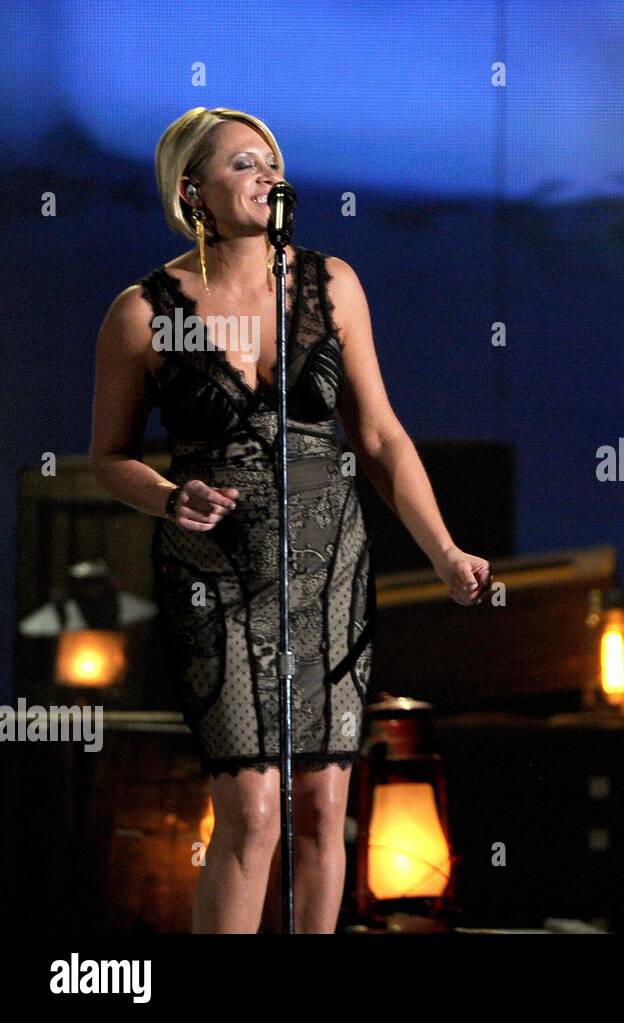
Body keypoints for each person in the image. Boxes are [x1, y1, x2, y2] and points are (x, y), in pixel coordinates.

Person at [89, 107, 492, 933]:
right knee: (254, 812)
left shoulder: (331, 282)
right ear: (192, 189)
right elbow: (108, 457)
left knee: (320, 808)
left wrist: (445, 551)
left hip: (329, 567)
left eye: (274, 162)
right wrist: (170, 496)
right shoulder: (142, 309)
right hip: (217, 574)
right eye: (246, 163)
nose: (270, 175)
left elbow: (378, 435)